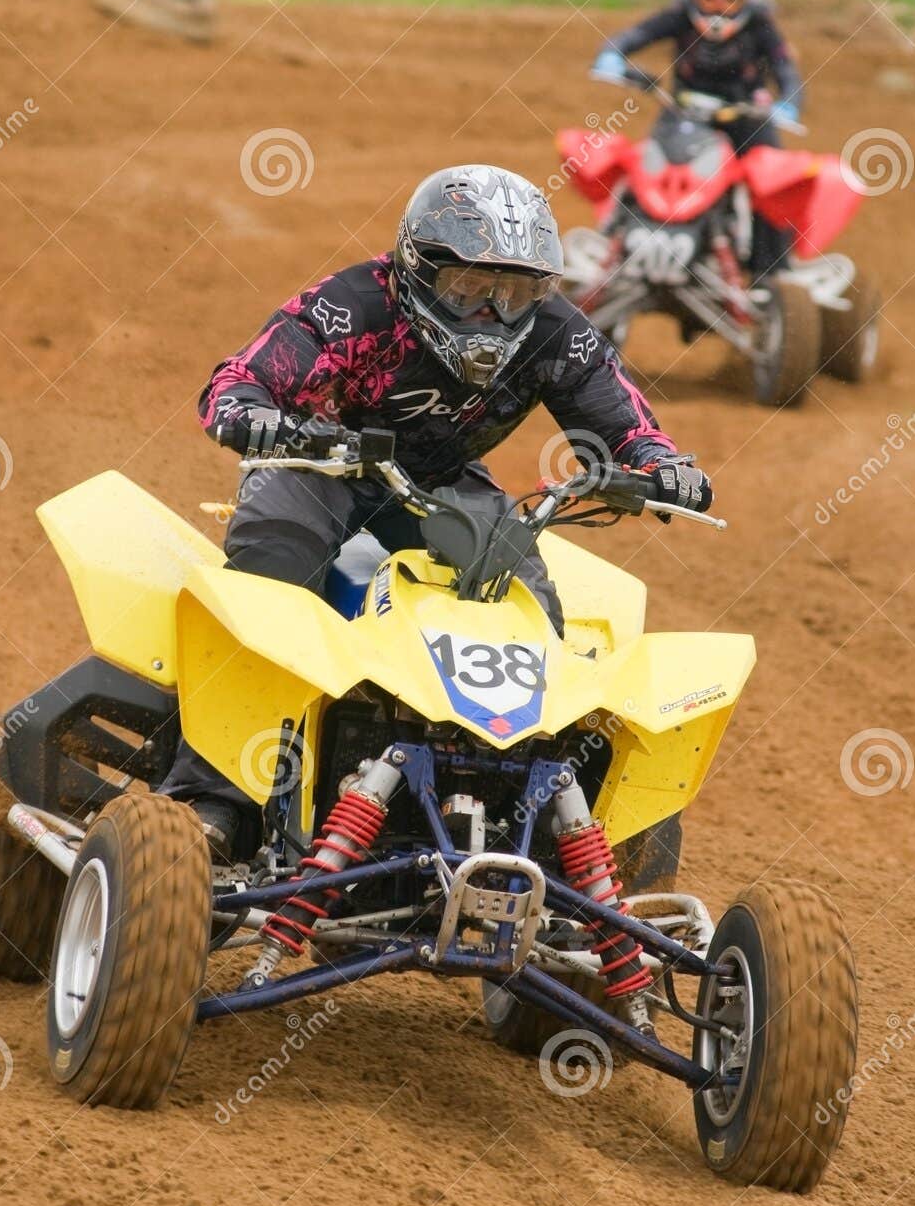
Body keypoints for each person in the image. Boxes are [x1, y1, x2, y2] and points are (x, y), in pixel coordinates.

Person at [162, 163, 713, 856]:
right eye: (468, 289)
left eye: (513, 292)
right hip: (318, 463)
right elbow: (236, 382)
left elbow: (623, 422)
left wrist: (660, 466)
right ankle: (214, 800)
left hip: (439, 480)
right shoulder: (352, 305)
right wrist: (253, 417)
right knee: (271, 572)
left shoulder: (553, 331)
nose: (491, 313)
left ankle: (539, 828)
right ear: (418, 270)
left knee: (526, 599)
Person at [592, 0, 802, 275]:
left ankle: (771, 271)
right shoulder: (679, 15)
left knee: (771, 184)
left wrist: (789, 104)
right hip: (682, 114)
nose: (717, 6)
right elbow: (634, 35)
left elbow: (786, 71)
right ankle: (613, 247)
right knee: (643, 166)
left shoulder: (762, 24)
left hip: (745, 120)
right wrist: (611, 56)